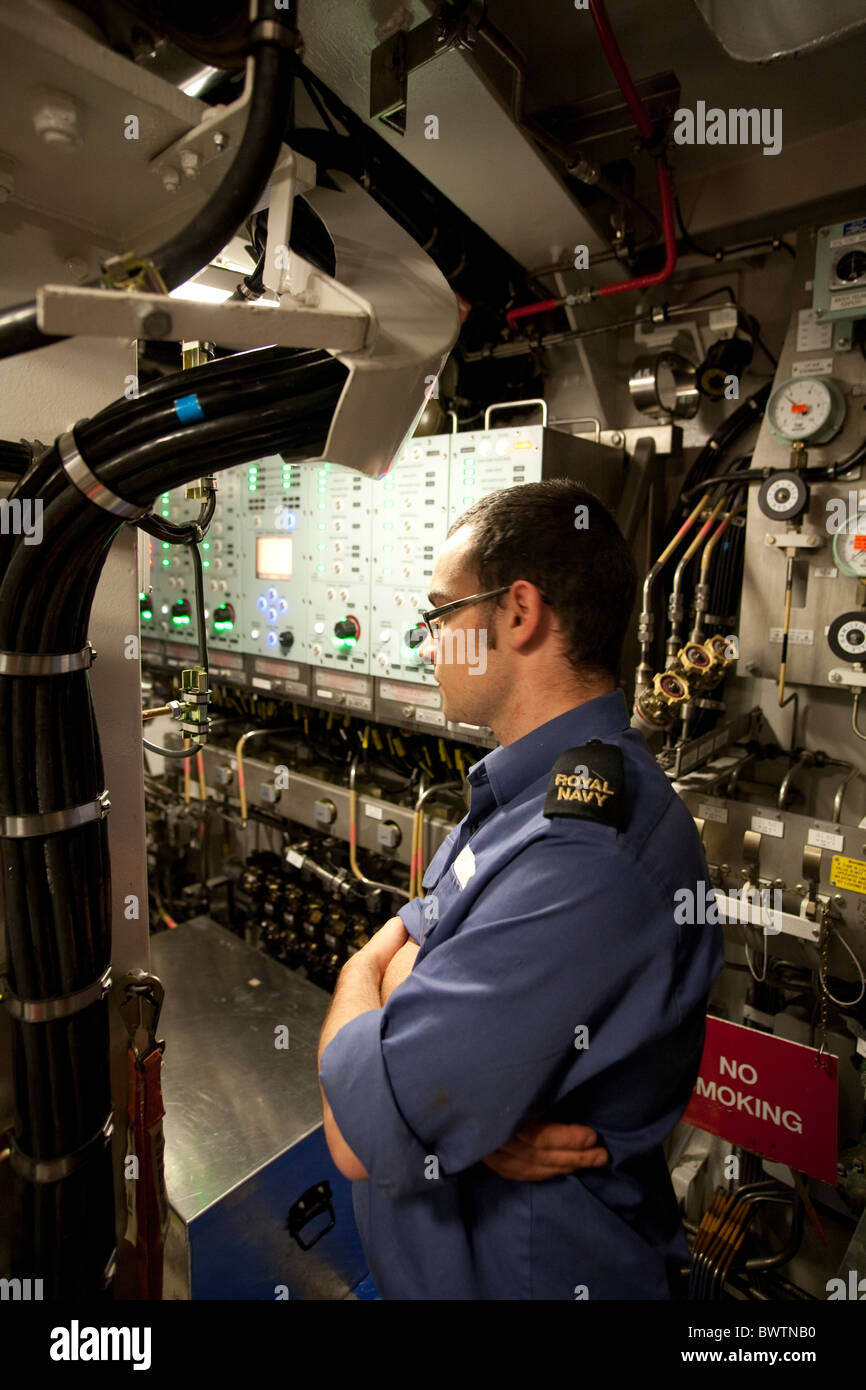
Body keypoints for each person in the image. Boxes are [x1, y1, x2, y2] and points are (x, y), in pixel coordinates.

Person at [318, 477, 724, 1299]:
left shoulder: (592, 851)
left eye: (440, 614)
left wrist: (358, 973)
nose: (425, 643)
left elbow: (357, 1138)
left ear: (518, 613)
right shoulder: (532, 789)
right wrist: (470, 1108)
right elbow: (420, 941)